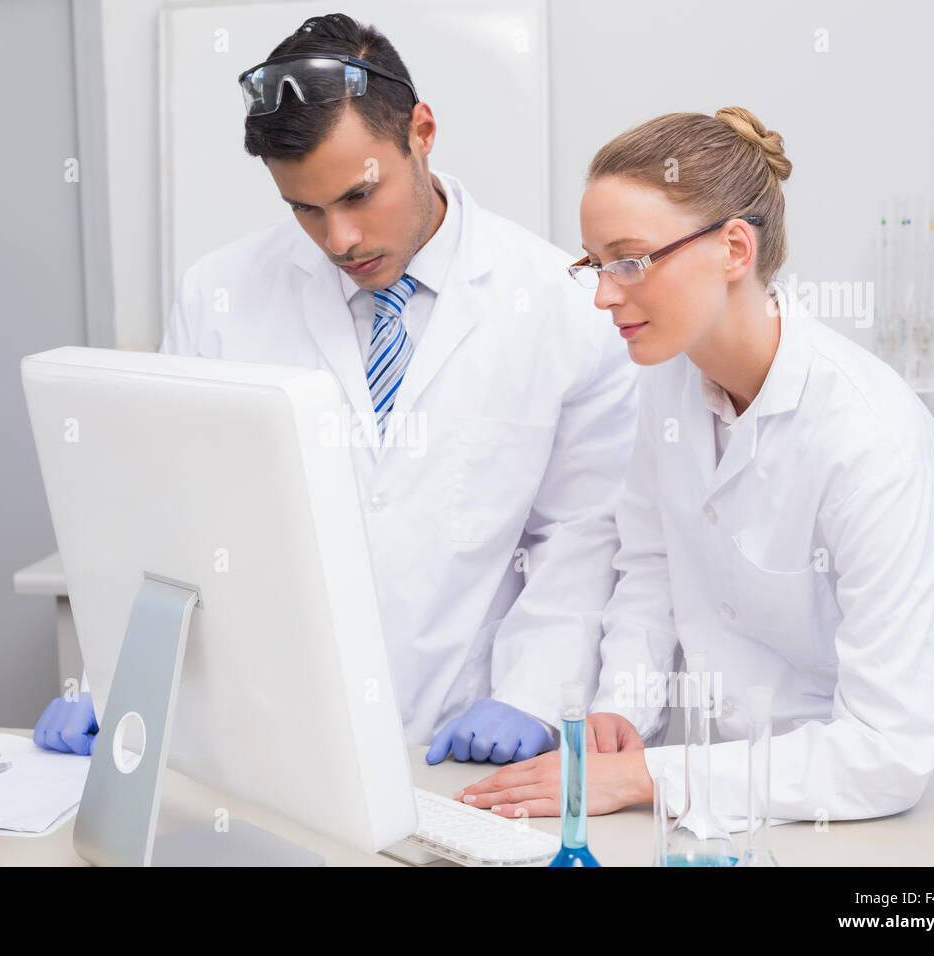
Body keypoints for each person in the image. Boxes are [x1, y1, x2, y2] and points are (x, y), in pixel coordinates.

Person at [34, 13, 638, 762]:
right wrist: (119, 674)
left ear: (421, 130)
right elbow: (175, 520)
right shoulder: (220, 294)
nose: (339, 240)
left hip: (460, 739)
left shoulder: (557, 302)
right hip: (271, 740)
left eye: (358, 196)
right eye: (304, 208)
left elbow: (581, 532)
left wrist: (536, 694)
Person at [457, 107, 934, 827]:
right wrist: (623, 705)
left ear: (735, 249)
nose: (603, 294)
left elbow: (884, 754)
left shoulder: (870, 441)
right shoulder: (668, 381)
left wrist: (645, 775)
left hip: (909, 802)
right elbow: (651, 561)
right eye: (594, 262)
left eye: (629, 260)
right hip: (742, 782)